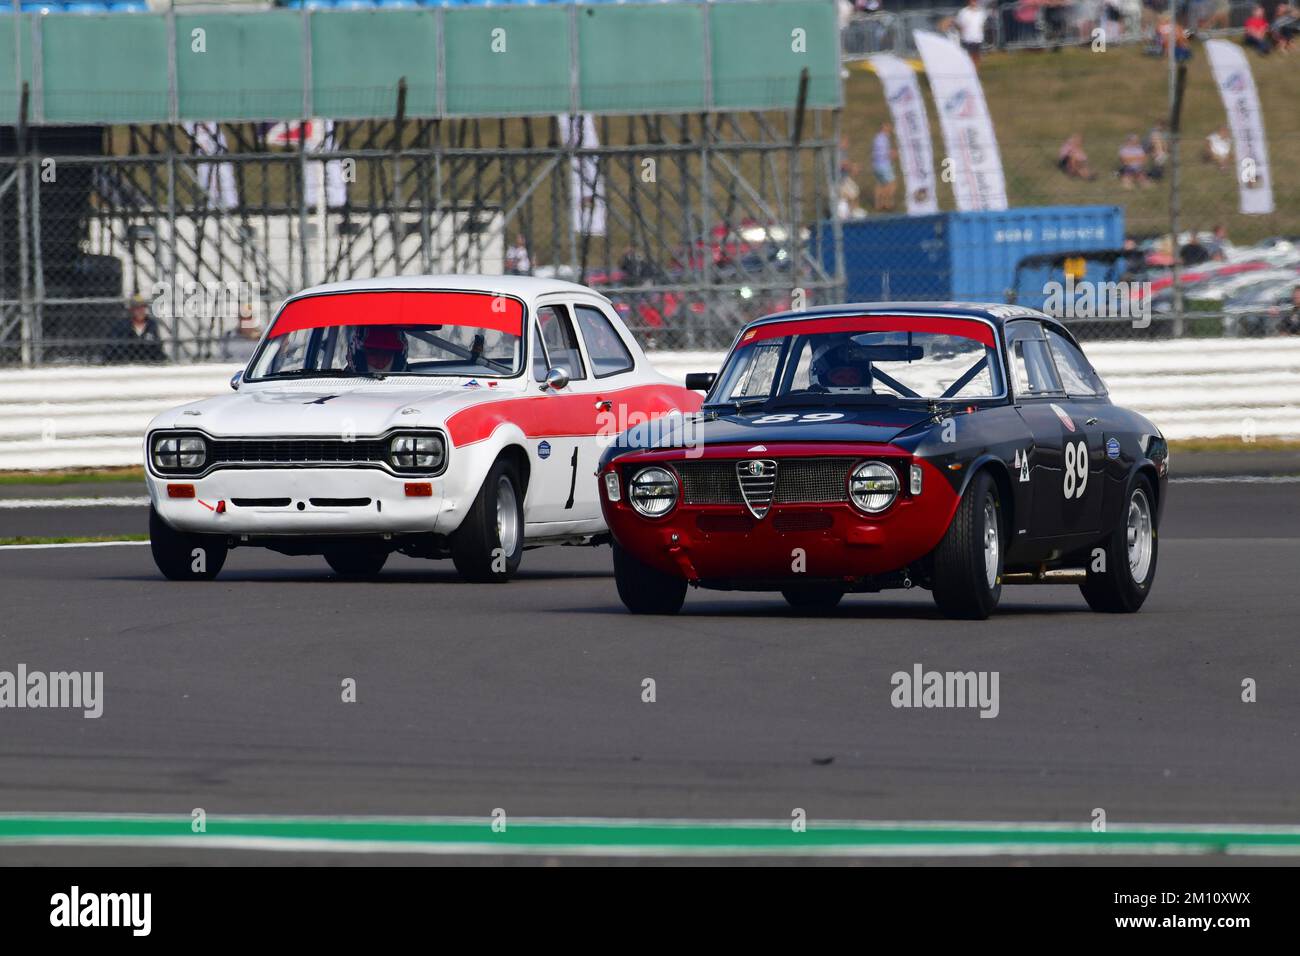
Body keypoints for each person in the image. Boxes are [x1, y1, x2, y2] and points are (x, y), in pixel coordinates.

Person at [105, 293, 167, 364]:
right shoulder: (122, 325)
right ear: (132, 310)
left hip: (147, 363)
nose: (140, 311)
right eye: (137, 308)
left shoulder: (151, 324)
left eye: (142, 307)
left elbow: (157, 346)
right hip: (126, 363)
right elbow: (114, 347)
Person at [810, 339, 874, 391]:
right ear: (824, 379)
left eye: (853, 377)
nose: (848, 382)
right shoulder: (807, 403)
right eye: (840, 377)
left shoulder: (876, 404)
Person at [871, 121, 898, 212]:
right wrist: (892, 154)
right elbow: (882, 152)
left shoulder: (877, 137)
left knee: (880, 184)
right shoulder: (883, 139)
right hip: (884, 165)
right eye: (889, 128)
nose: (890, 130)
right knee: (891, 184)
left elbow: (876, 152)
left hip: (876, 165)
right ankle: (887, 203)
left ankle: (877, 204)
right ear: (884, 128)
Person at [953, 0, 990, 64]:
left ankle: (975, 72)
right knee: (967, 58)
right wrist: (961, 30)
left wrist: (982, 29)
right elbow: (957, 24)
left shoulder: (981, 12)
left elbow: (984, 24)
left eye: (975, 1)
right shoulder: (963, 12)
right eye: (972, 1)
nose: (974, 2)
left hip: (978, 38)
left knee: (976, 57)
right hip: (967, 39)